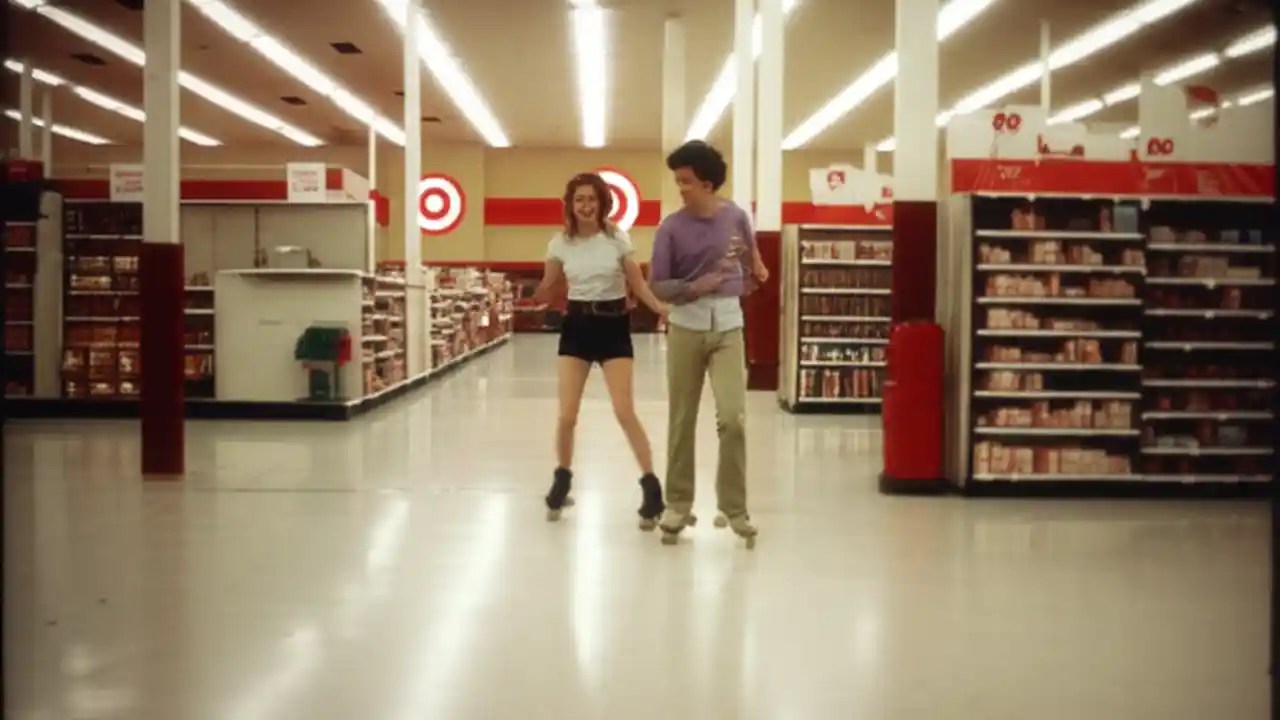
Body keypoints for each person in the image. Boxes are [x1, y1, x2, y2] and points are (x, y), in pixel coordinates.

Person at [648, 140, 769, 548]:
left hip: (730, 328)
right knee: (682, 420)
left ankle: (735, 508)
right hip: (685, 327)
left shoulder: (736, 216)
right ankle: (678, 504)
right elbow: (658, 286)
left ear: (708, 181)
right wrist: (694, 287)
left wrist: (755, 272)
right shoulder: (671, 228)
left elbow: (752, 259)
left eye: (686, 181)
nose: (680, 188)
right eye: (678, 181)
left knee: (733, 418)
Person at [534, 172, 670, 529]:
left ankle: (651, 487)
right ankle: (562, 478)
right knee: (566, 415)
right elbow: (547, 286)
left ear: (603, 202)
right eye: (579, 199)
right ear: (570, 204)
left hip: (613, 327)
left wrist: (659, 307)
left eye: (592, 199)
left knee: (625, 410)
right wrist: (540, 293)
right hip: (576, 328)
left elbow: (637, 283)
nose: (586, 206)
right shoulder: (559, 243)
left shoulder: (617, 239)